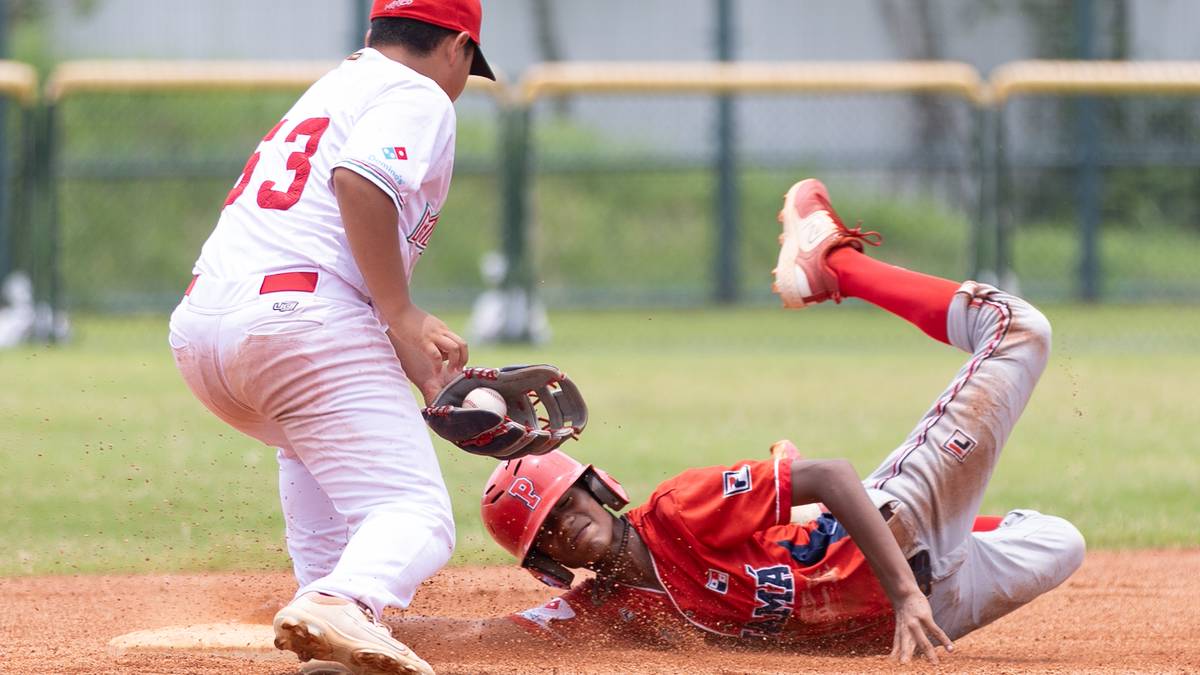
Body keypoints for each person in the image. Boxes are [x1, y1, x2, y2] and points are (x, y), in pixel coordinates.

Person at [377, 178, 1086, 667]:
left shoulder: (682, 509)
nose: (567, 524)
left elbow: (833, 475)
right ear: (547, 563)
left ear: (599, 486)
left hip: (907, 532)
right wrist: (362, 630)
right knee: (1063, 541)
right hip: (936, 604)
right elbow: (483, 633)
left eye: (566, 503)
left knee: (1022, 328)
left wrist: (902, 589)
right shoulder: (612, 610)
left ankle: (832, 261)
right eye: (549, 531)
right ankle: (960, 536)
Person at [167, 2, 496, 673]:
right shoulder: (419, 92)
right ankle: (345, 597)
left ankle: (324, 619)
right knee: (417, 512)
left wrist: (391, 331)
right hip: (298, 318)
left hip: (204, 328)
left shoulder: (337, 85)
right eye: (470, 66)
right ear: (459, 46)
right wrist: (401, 313)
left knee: (310, 446)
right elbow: (360, 180)